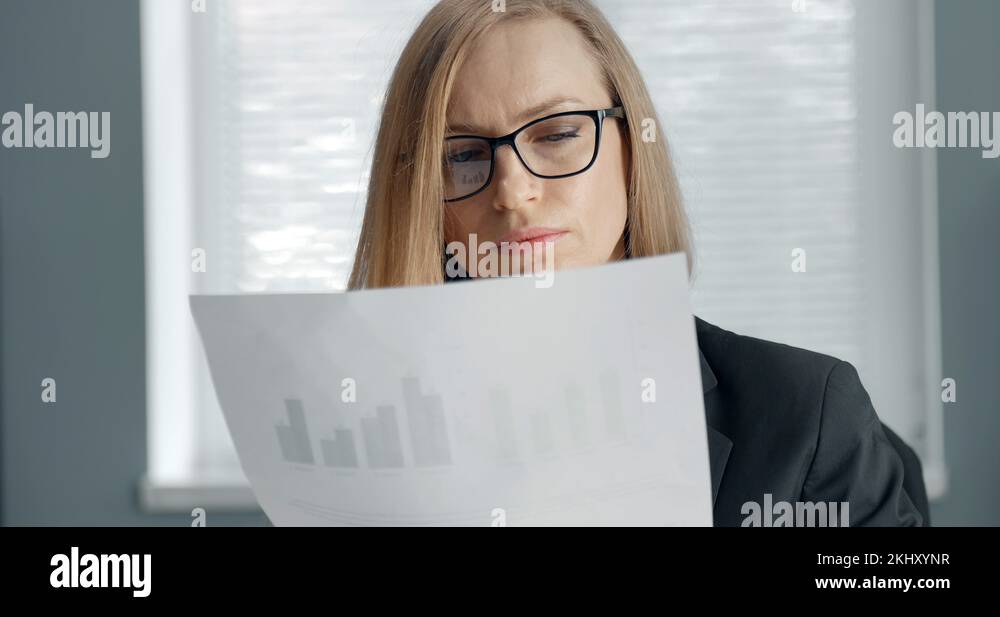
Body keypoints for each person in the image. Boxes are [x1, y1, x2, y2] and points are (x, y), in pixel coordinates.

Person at [348, 0, 923, 526]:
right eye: (464, 154)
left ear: (630, 148)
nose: (512, 190)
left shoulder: (808, 415)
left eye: (559, 133)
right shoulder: (356, 429)